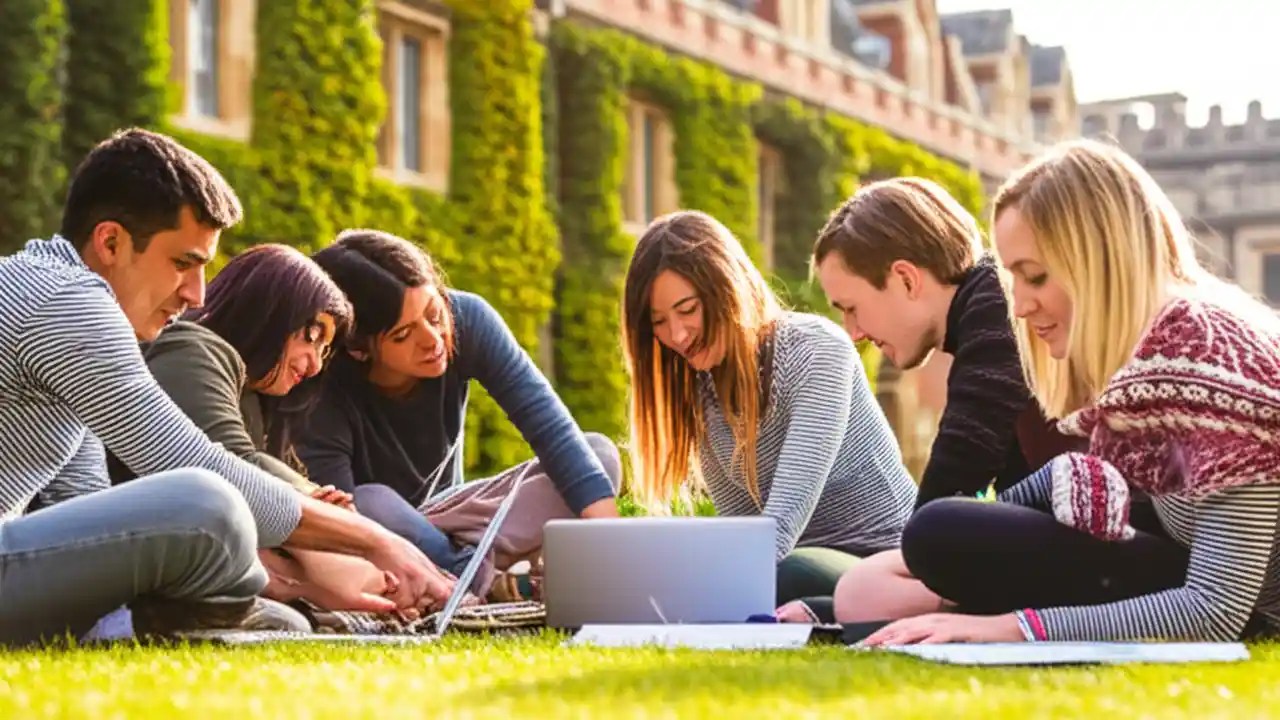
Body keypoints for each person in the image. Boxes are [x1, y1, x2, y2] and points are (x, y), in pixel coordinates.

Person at [0, 128, 451, 645]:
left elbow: (79, 506)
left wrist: (287, 581)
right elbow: (186, 461)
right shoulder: (66, 301)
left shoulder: (59, 307)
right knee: (206, 502)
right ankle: (158, 621)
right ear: (110, 243)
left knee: (227, 542)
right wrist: (377, 542)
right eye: (182, 264)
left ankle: (142, 624)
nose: (196, 295)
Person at [862, 139, 1280, 645]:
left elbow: (1215, 611)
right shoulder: (1152, 354)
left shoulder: (1208, 356)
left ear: (1101, 261)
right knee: (944, 531)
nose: (1018, 306)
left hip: (1249, 609)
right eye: (1012, 277)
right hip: (1207, 583)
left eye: (1034, 276)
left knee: (942, 534)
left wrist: (1009, 629)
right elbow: (1091, 483)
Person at [108, 243, 475, 613]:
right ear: (268, 312)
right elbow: (233, 468)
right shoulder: (193, 348)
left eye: (325, 350)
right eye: (311, 337)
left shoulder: (260, 400)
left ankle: (401, 593)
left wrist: (316, 507)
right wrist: (317, 502)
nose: (315, 365)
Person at [791, 177, 1082, 624]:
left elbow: (952, 482)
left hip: (1096, 545)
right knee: (844, 580)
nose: (854, 332)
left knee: (891, 562)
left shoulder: (994, 308)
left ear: (906, 279)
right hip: (1061, 540)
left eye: (852, 308)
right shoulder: (978, 318)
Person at [296, 229, 622, 600]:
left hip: (463, 519)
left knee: (598, 454)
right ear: (358, 349)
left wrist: (612, 549)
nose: (432, 340)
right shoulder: (324, 383)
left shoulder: (468, 319)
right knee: (371, 502)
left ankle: (477, 571)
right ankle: (483, 577)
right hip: (388, 534)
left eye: (434, 315)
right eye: (403, 335)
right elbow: (344, 522)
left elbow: (551, 427)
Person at [621, 210, 917, 610]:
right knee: (778, 572)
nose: (677, 334)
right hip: (787, 562)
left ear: (725, 287)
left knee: (789, 571)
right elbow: (743, 532)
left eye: (688, 310)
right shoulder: (701, 390)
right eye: (659, 321)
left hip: (885, 560)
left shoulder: (818, 351)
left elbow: (775, 532)